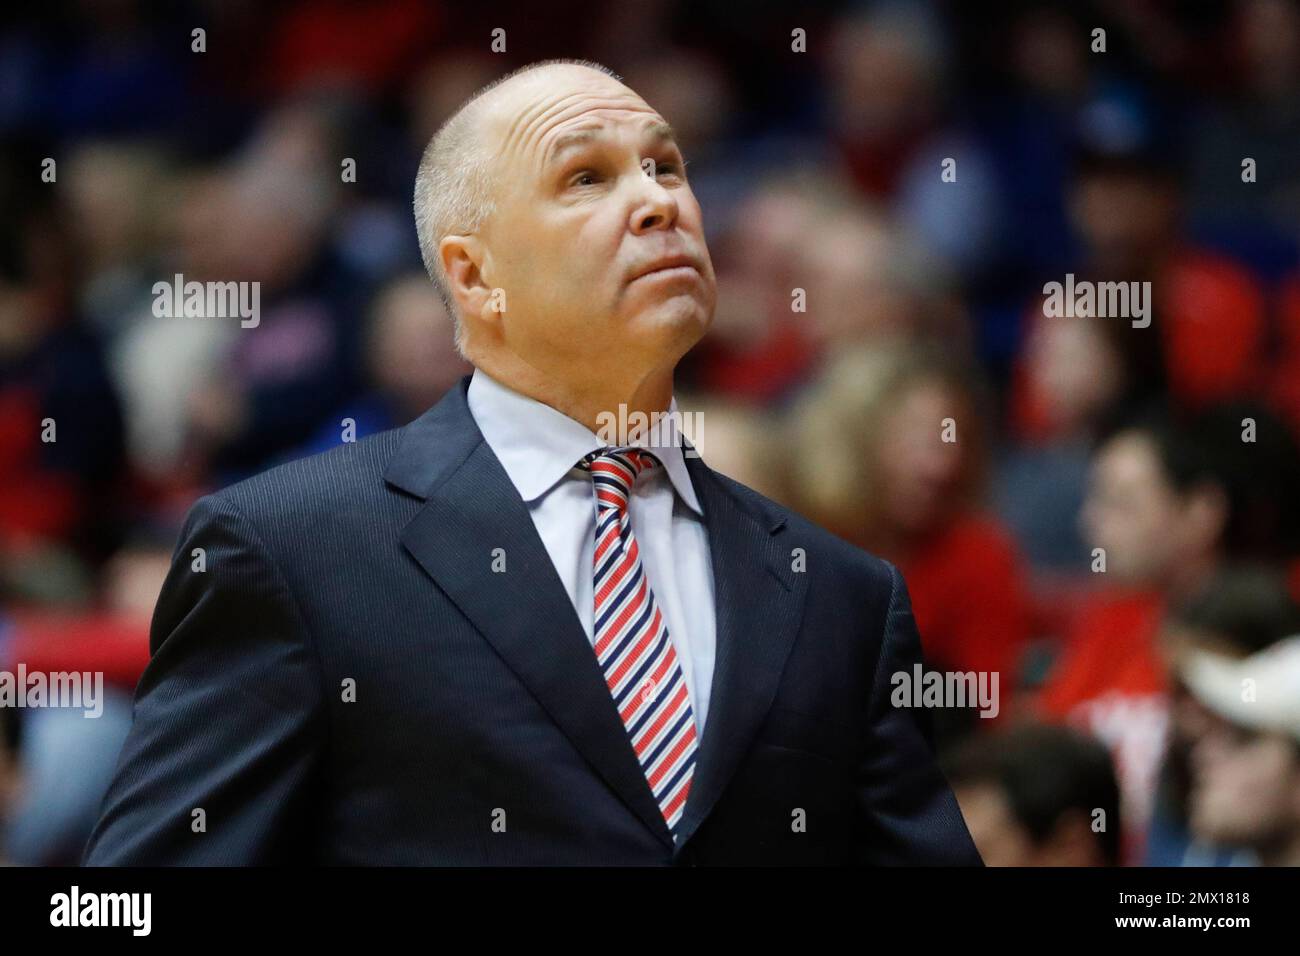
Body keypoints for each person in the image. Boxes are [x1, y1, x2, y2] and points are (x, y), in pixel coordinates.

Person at [82, 60, 980, 866]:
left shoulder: (840, 592)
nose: (660, 201)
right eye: (586, 177)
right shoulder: (291, 548)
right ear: (475, 278)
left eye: (666, 166)